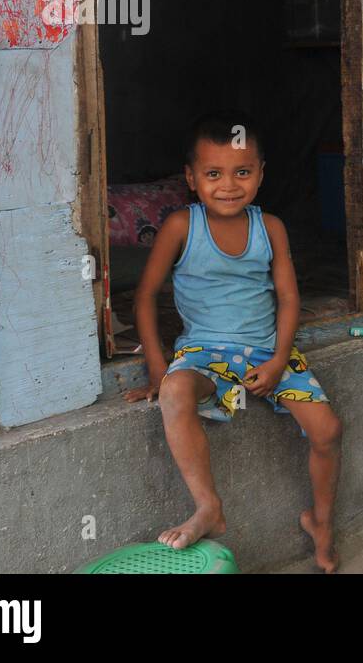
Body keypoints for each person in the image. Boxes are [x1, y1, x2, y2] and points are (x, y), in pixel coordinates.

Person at [124, 115, 343, 572]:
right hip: (203, 353)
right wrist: (158, 370)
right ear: (190, 178)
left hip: (266, 351)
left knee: (328, 431)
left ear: (261, 173)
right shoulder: (182, 226)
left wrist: (281, 359)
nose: (228, 185)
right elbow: (144, 297)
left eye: (242, 172)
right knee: (175, 392)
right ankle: (208, 507)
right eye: (213, 174)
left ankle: (321, 522)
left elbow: (288, 298)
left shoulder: (272, 228)